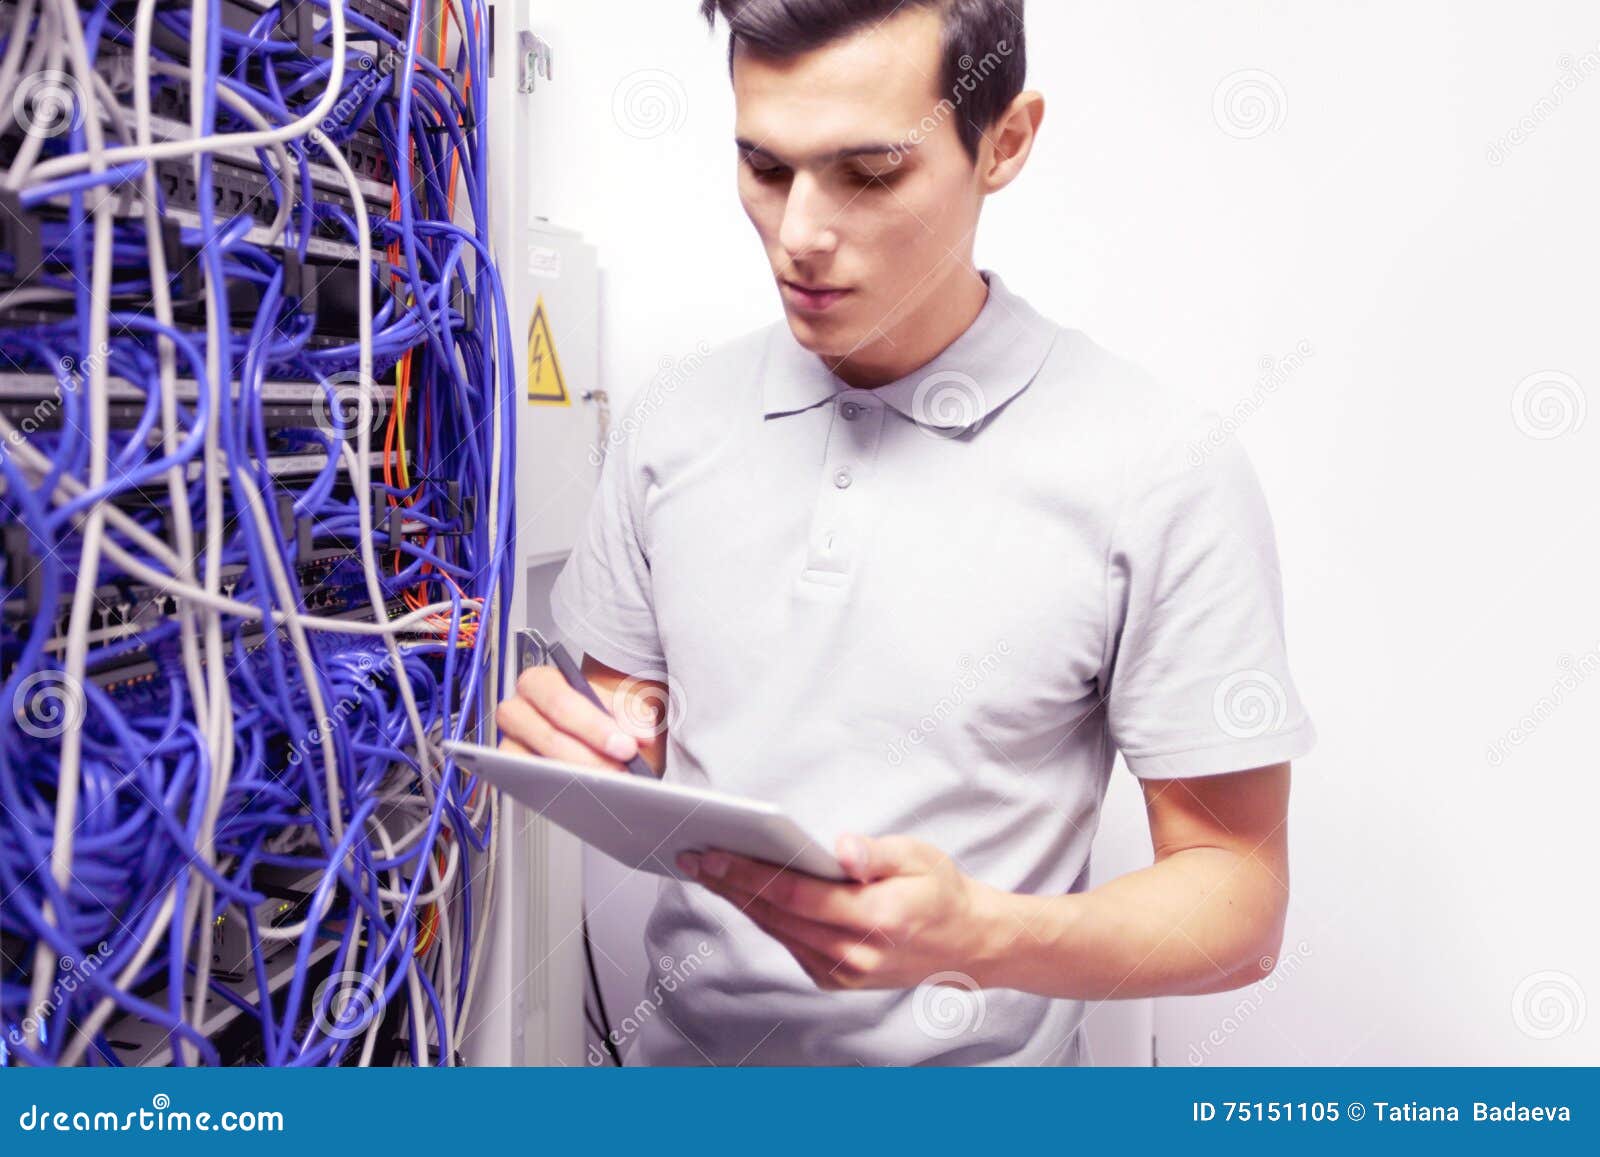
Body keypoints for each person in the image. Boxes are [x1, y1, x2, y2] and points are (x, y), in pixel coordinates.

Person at [495, 0, 1316, 1066]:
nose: (798, 235)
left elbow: (1239, 899)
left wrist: (981, 935)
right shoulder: (669, 422)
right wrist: (587, 738)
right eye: (763, 165)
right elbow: (632, 729)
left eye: (869, 174)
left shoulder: (1158, 467)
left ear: (1005, 143)